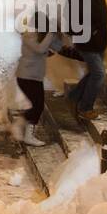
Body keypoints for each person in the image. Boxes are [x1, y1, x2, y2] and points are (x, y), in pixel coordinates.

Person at [67, 0, 107, 121]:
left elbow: (104, 18)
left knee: (94, 73)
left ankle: (74, 96)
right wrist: (90, 31)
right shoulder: (75, 2)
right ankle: (85, 107)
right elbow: (71, 27)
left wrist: (99, 33)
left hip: (99, 43)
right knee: (99, 74)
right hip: (86, 45)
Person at [15, 17, 62, 147]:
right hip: (27, 77)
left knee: (36, 105)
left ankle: (20, 125)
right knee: (37, 105)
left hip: (35, 77)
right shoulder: (29, 36)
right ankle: (28, 135)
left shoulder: (42, 37)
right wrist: (50, 34)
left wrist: (57, 33)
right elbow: (40, 49)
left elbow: (58, 47)